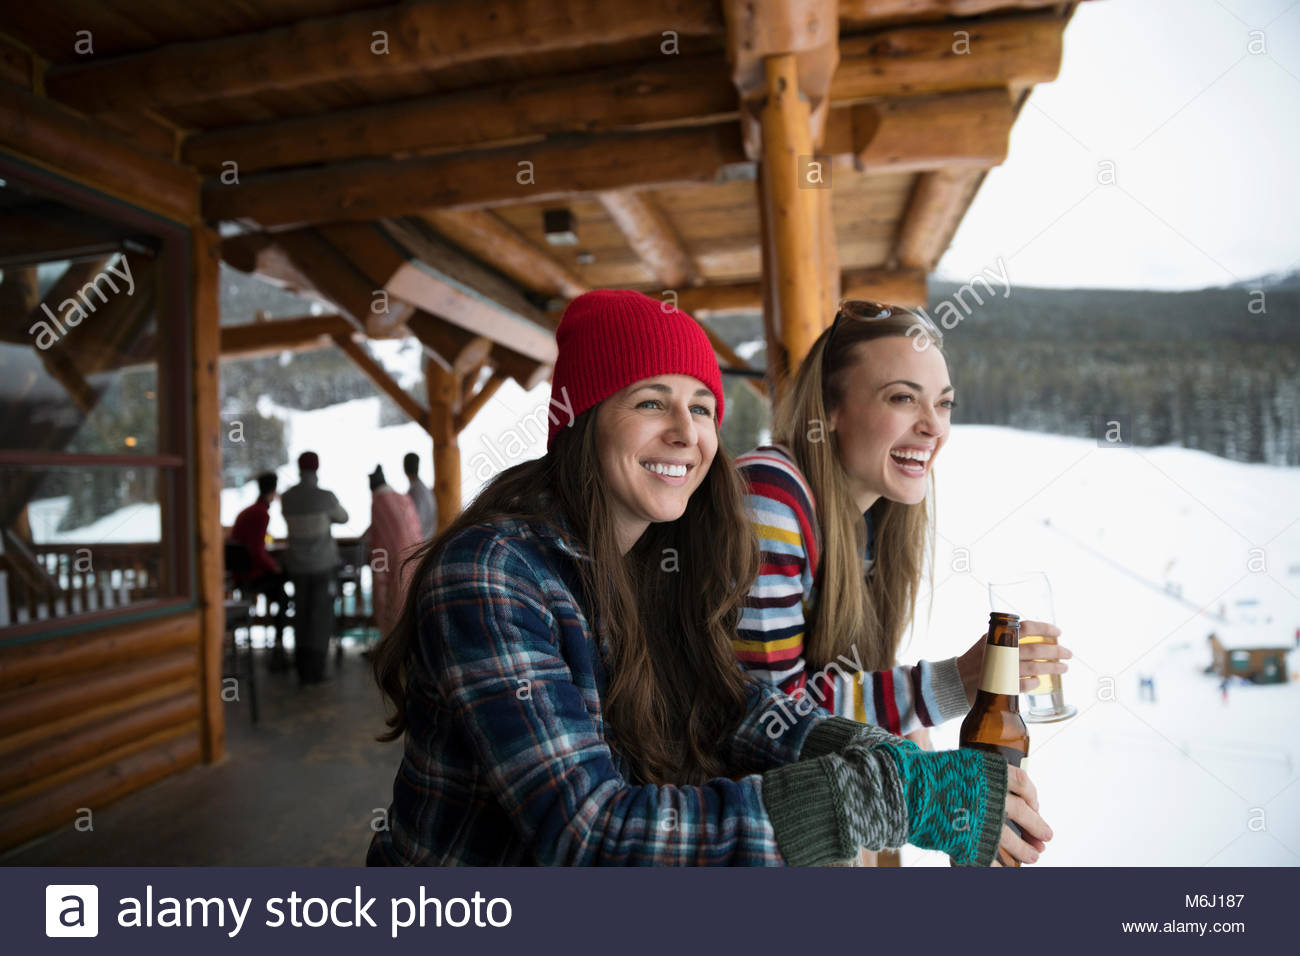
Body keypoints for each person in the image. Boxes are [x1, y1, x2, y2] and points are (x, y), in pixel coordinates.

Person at [367, 289, 1050, 866]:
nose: (685, 432)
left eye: (701, 408)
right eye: (649, 403)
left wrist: (887, 759)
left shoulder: (656, 564)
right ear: (582, 420)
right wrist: (888, 799)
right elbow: (591, 837)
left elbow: (732, 707)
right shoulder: (495, 574)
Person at [737, 301, 1072, 733]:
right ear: (829, 408)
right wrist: (960, 680)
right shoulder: (769, 496)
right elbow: (773, 721)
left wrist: (940, 781)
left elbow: (862, 682)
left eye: (944, 403)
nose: (934, 427)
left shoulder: (874, 518)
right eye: (903, 398)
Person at [280, 451, 348, 685]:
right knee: (319, 617)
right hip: (322, 565)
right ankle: (316, 671)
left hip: (297, 566)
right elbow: (344, 518)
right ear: (316, 468)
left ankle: (301, 668)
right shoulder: (325, 497)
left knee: (301, 615)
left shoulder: (287, 498)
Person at [229, 471, 289, 670]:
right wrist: (274, 566)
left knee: (280, 591)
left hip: (239, 575)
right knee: (282, 595)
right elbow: (256, 551)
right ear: (273, 490)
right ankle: (279, 648)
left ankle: (278, 646)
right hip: (250, 576)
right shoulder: (261, 514)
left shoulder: (247, 511)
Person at [365, 465, 422, 638]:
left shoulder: (379, 501)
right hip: (415, 557)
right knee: (408, 603)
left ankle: (390, 647)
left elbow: (377, 539)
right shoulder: (403, 498)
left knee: (388, 603)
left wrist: (376, 567)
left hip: (390, 558)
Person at [403, 452, 437, 539]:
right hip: (427, 539)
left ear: (404, 469)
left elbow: (415, 523)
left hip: (421, 541)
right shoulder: (425, 489)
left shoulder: (414, 492)